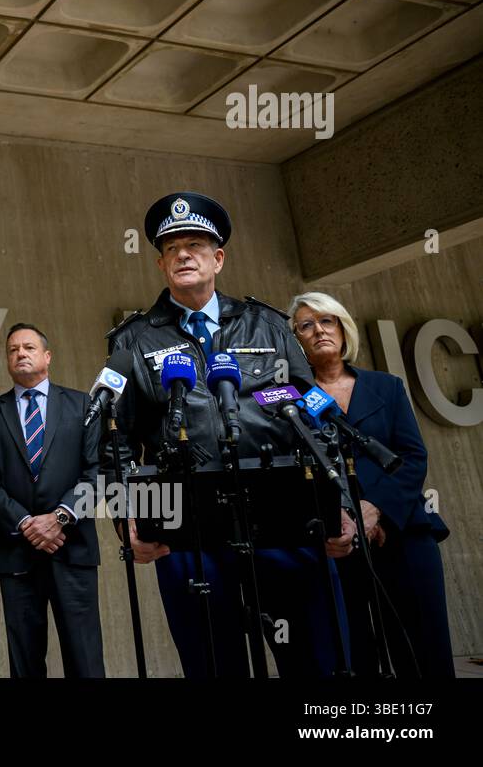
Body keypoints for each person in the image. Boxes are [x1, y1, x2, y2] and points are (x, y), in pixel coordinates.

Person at [106, 192, 350, 677]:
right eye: (172, 248)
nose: (183, 254)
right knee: (213, 662)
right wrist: (126, 517)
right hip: (187, 520)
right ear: (160, 263)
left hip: (281, 511)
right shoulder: (133, 339)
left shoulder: (269, 324)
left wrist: (335, 498)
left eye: (195, 244)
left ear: (218, 258)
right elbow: (115, 437)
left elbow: (313, 415)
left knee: (310, 655)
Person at [289, 290, 454, 677]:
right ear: (295, 341)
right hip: (337, 541)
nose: (319, 331)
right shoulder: (290, 402)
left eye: (326, 321)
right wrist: (342, 518)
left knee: (423, 652)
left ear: (343, 328)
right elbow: (294, 473)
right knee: (354, 653)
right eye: (306, 326)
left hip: (404, 532)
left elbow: (413, 458)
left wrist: (373, 508)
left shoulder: (388, 386)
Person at [0, 323, 105, 677]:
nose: (20, 354)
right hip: (17, 553)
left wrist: (59, 517)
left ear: (47, 356)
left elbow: (97, 473)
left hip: (73, 548)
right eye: (13, 350)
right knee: (25, 663)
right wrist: (27, 523)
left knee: (85, 658)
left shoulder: (83, 405)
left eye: (28, 347)